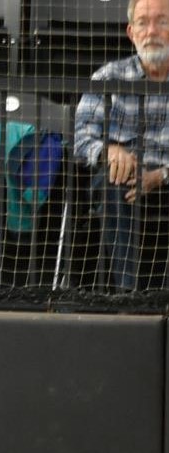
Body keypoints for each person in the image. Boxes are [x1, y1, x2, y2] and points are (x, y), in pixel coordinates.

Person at [73, 0, 169, 292]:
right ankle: (130, 298)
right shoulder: (108, 77)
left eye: (162, 21)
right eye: (142, 22)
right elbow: (81, 138)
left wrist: (161, 175)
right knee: (115, 180)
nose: (151, 31)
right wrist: (108, 151)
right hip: (122, 179)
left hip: (165, 176)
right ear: (131, 31)